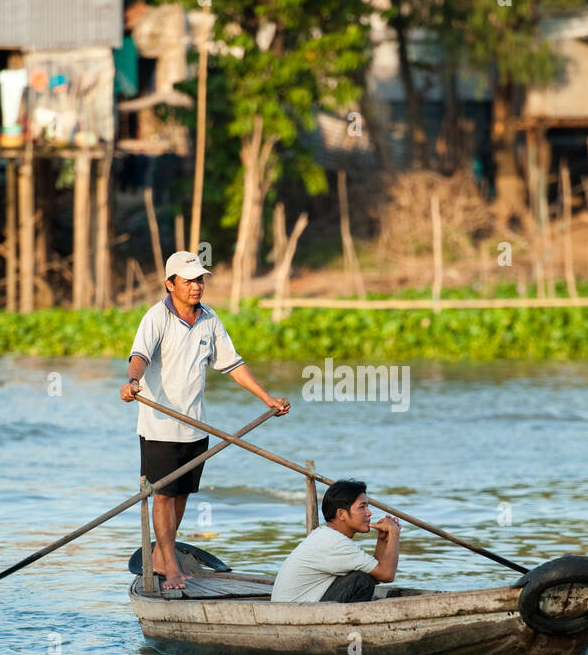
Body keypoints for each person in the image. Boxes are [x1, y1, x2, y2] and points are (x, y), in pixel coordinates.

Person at [121, 250, 290, 590]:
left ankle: (160, 555)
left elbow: (233, 364)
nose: (197, 286)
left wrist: (266, 397)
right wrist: (133, 381)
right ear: (170, 285)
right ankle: (168, 566)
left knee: (182, 494)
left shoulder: (209, 319)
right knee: (164, 496)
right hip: (160, 425)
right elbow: (139, 355)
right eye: (189, 281)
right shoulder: (156, 317)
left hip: (196, 425)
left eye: (200, 280)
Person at [271, 480, 401, 603]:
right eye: (362, 507)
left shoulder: (327, 536)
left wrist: (383, 538)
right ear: (341, 514)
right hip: (295, 613)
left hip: (302, 606)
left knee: (365, 577)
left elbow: (377, 575)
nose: (369, 513)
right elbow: (386, 575)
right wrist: (394, 533)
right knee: (362, 581)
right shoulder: (334, 542)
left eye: (367, 506)